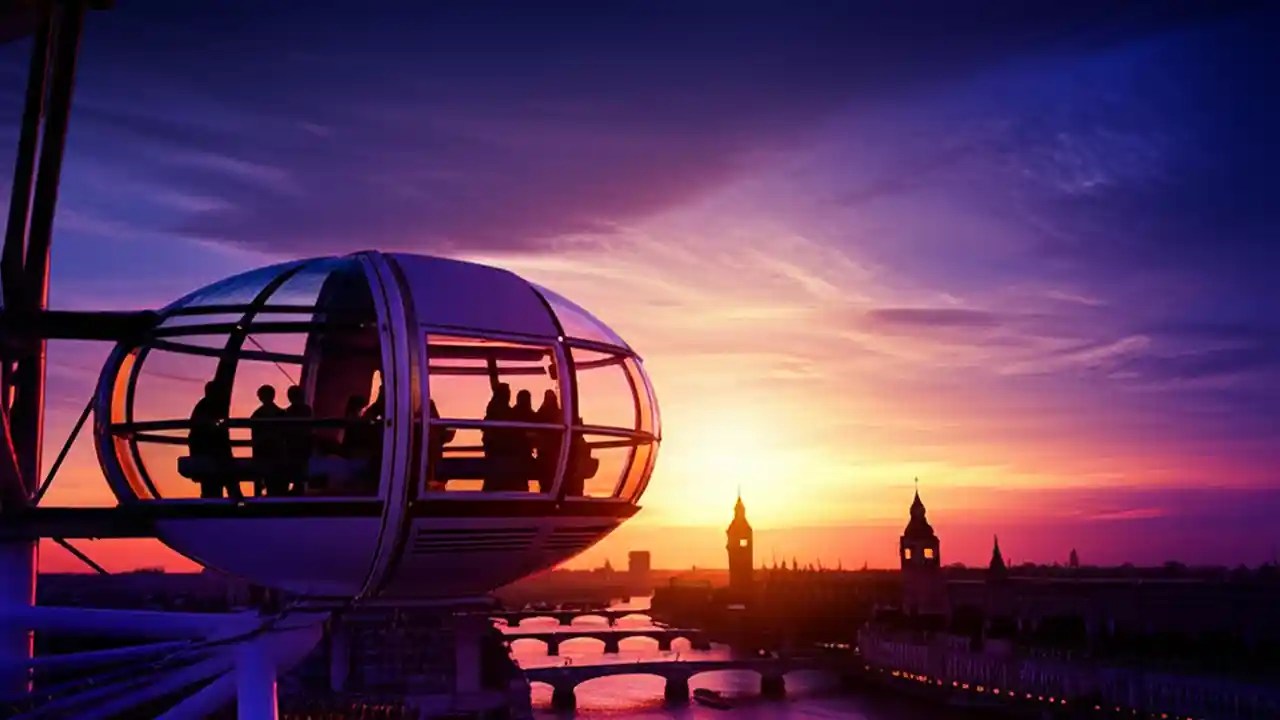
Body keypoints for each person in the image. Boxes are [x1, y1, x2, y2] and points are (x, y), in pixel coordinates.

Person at [188, 380, 241, 500]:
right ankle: (238, 504)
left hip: (207, 452)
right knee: (224, 481)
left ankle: (218, 506)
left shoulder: (203, 406)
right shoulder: (211, 407)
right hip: (214, 452)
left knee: (212, 487)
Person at [250, 384, 287, 496]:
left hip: (264, 454)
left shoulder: (257, 415)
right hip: (279, 454)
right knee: (278, 485)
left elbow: (255, 438)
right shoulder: (282, 414)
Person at [283, 385, 313, 495]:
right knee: (300, 466)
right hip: (303, 443)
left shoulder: (288, 412)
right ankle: (299, 487)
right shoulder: (306, 410)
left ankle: (297, 487)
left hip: (294, 443)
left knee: (296, 466)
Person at [533, 390, 561, 492]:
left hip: (549, 454)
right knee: (550, 482)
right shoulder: (559, 414)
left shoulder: (541, 413)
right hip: (552, 454)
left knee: (547, 483)